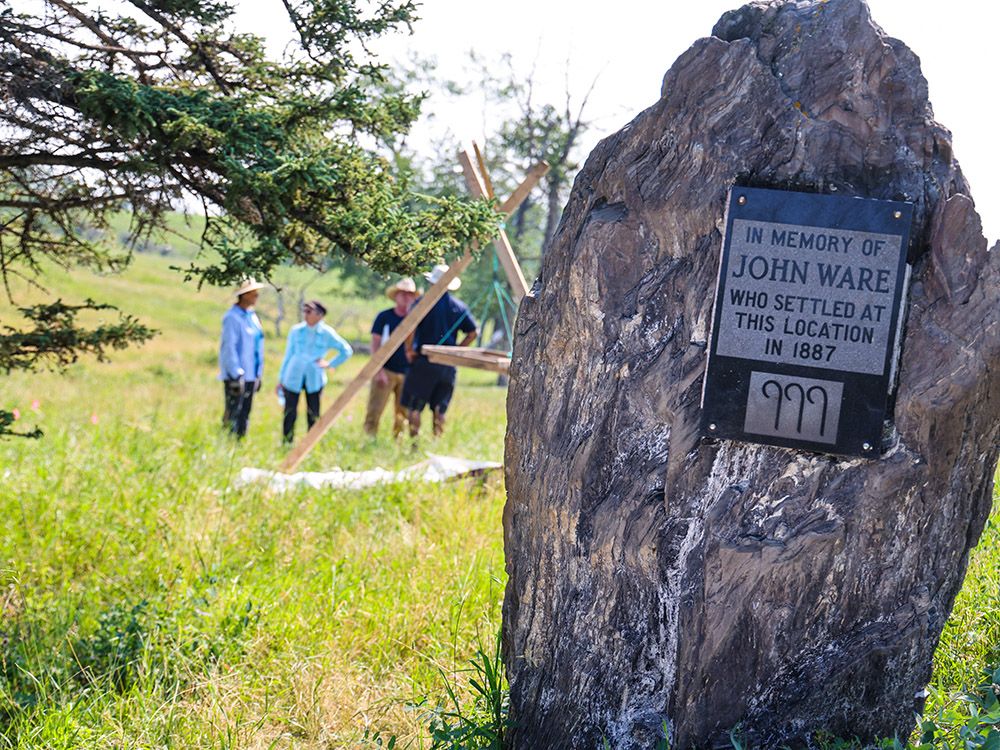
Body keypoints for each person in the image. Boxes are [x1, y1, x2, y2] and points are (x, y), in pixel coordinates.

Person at [401, 264, 478, 438]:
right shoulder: (459, 307)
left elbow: (409, 329)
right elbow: (473, 332)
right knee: (440, 409)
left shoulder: (421, 304)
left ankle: (414, 444)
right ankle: (437, 440)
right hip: (448, 365)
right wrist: (457, 351)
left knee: (415, 407)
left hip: (424, 361)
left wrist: (408, 350)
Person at [276, 300, 353, 443]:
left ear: (319, 315)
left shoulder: (326, 333)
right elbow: (288, 354)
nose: (306, 314)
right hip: (293, 376)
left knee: (313, 412)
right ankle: (287, 442)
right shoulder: (296, 330)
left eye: (309, 311)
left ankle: (310, 443)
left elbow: (346, 350)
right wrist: (281, 379)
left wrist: (330, 364)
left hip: (314, 378)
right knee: (290, 412)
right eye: (305, 311)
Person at [363, 278, 419, 438]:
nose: (406, 297)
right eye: (403, 294)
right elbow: (375, 343)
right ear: (396, 296)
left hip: (408, 372)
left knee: (403, 412)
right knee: (375, 409)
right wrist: (378, 370)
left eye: (410, 294)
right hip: (386, 369)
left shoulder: (416, 319)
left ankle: (398, 441)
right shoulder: (384, 317)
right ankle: (369, 438)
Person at [219, 278, 266, 438]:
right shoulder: (232, 317)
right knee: (233, 413)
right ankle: (227, 443)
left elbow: (258, 346)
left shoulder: (252, 317)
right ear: (244, 295)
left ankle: (239, 444)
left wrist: (258, 373)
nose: (257, 296)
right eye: (254, 293)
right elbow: (229, 347)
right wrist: (235, 373)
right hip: (237, 375)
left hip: (251, 373)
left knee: (245, 413)